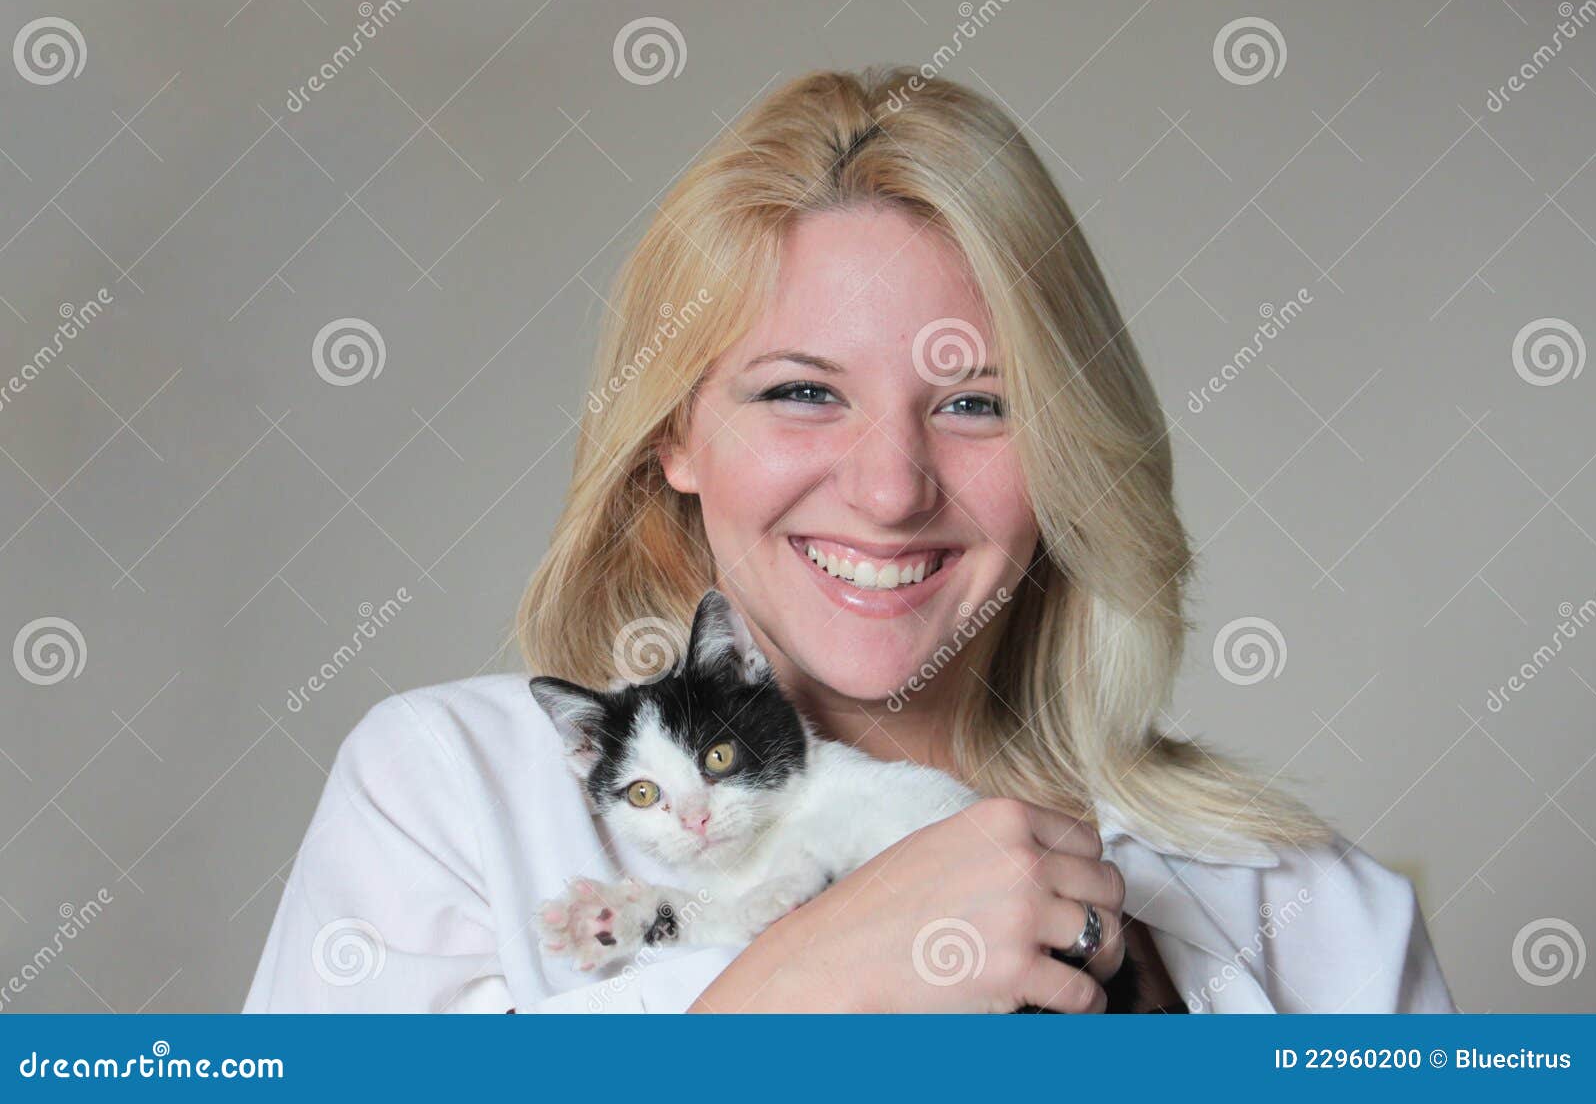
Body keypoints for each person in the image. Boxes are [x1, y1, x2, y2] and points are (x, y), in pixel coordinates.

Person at [243, 68, 1456, 1014]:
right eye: (800, 392)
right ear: (674, 434)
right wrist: (811, 980)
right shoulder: (446, 795)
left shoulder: (1305, 909)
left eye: (977, 401)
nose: (888, 490)